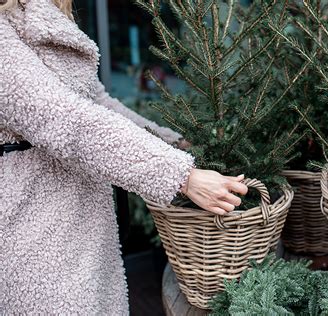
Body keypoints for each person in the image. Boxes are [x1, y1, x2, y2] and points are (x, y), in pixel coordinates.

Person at [0, 0, 248, 314]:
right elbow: (65, 119)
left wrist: (176, 143)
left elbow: (97, 102)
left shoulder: (46, 11)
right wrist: (181, 176)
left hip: (83, 221)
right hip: (36, 231)